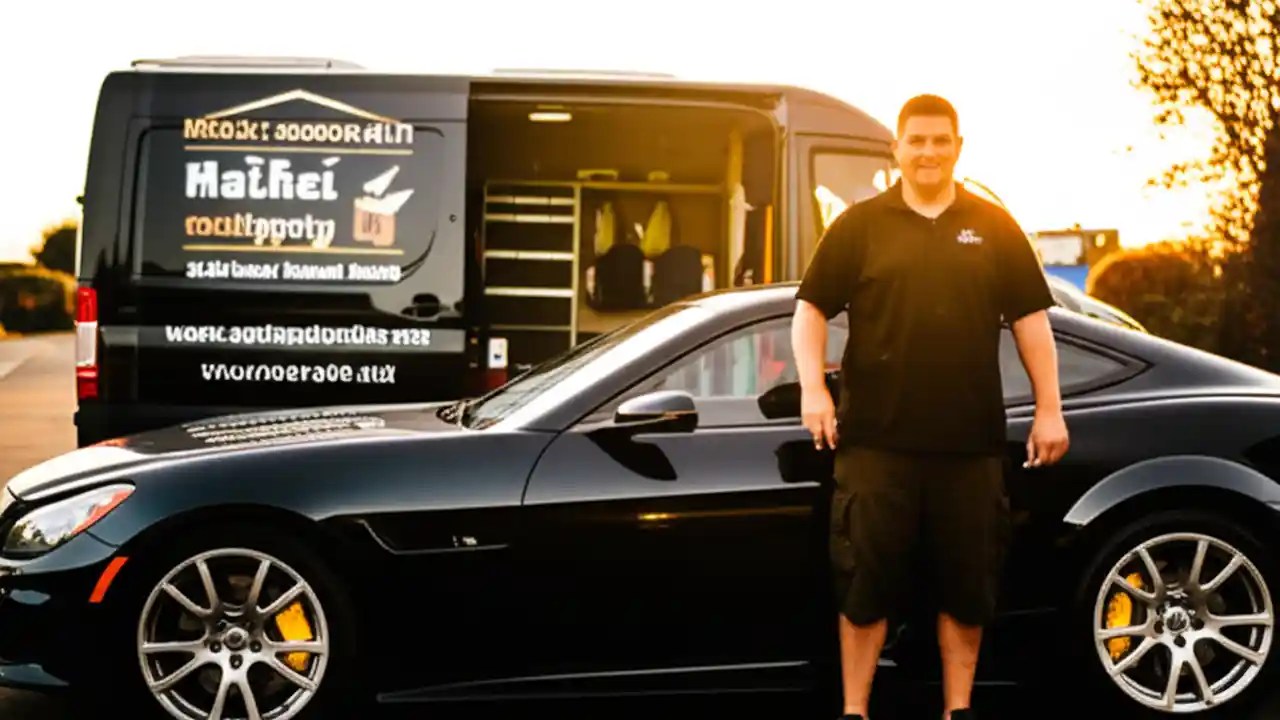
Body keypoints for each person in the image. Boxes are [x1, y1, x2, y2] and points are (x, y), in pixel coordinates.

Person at [790, 94, 1069, 720]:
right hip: (874, 443)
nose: (928, 152)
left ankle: (957, 710)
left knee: (967, 588)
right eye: (916, 140)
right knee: (864, 585)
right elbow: (809, 309)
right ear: (897, 148)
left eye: (941, 140)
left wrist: (1049, 408)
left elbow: (1032, 320)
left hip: (969, 444)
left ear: (958, 148)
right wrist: (813, 389)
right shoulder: (860, 226)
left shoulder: (994, 226)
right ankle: (855, 711)